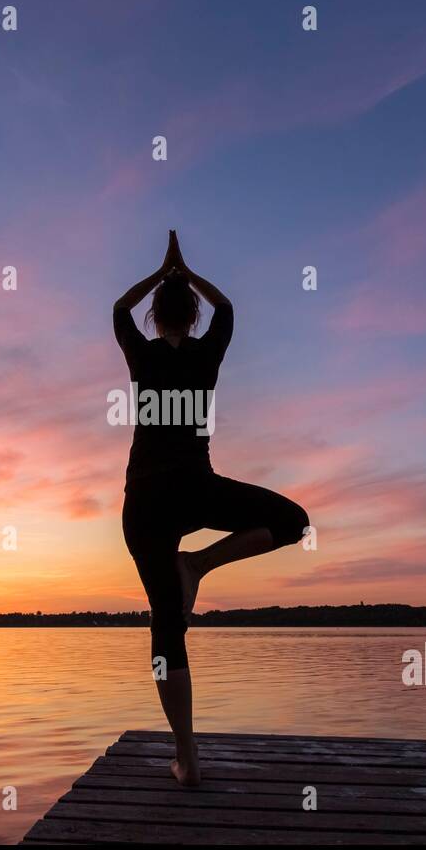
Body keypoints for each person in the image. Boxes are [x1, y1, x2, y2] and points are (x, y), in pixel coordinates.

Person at [113, 230, 310, 787]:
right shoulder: (206, 354)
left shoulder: (142, 355)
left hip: (146, 499)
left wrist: (162, 272)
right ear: (193, 316)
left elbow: (117, 308)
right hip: (195, 489)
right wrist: (186, 271)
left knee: (165, 625)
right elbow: (227, 306)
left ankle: (187, 757)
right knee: (293, 521)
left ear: (155, 316)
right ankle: (199, 564)